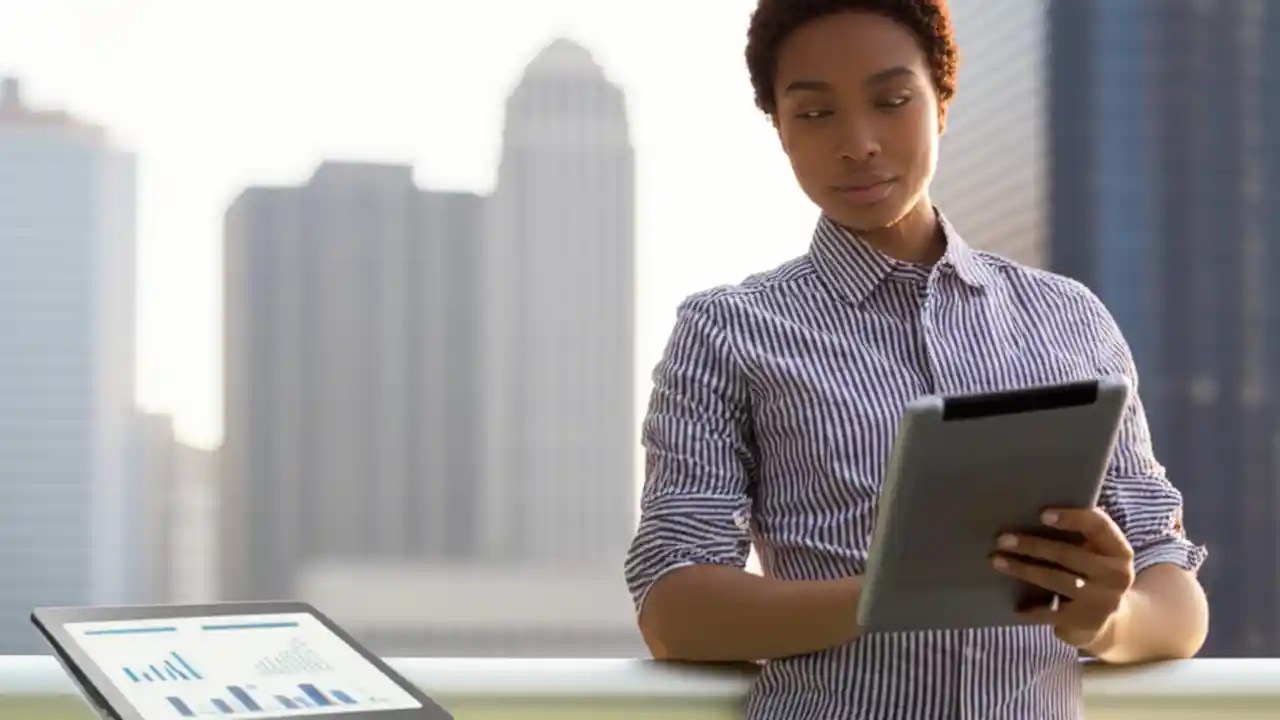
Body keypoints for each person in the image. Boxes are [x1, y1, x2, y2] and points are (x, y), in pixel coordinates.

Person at [622, 1, 1210, 717]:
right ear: (778, 127)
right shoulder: (727, 331)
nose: (858, 143)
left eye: (891, 101)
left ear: (942, 103)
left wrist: (1104, 620)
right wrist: (898, 592)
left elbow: (1173, 591)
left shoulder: (1068, 317)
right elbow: (674, 605)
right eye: (813, 114)